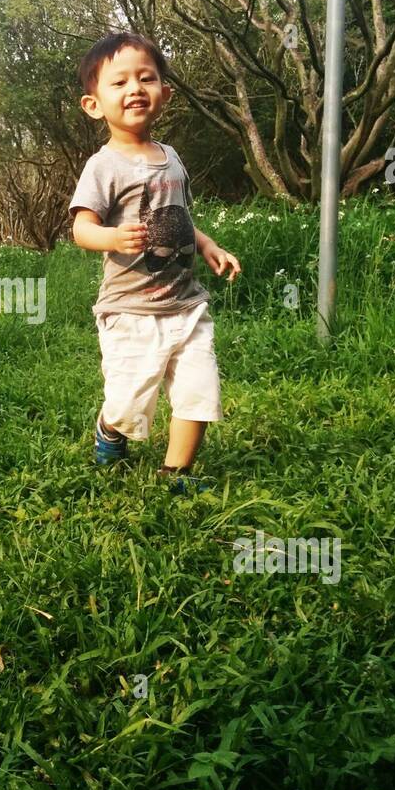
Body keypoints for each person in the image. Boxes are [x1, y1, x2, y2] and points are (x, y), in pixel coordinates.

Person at [68, 32, 241, 489]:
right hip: (129, 309)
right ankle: (110, 429)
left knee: (199, 390)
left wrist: (207, 245)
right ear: (94, 105)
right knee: (129, 402)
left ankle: (175, 474)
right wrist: (112, 236)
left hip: (186, 305)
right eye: (119, 82)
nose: (135, 89)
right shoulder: (102, 166)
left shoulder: (172, 158)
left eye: (146, 78)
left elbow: (181, 219)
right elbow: (81, 228)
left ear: (165, 91)